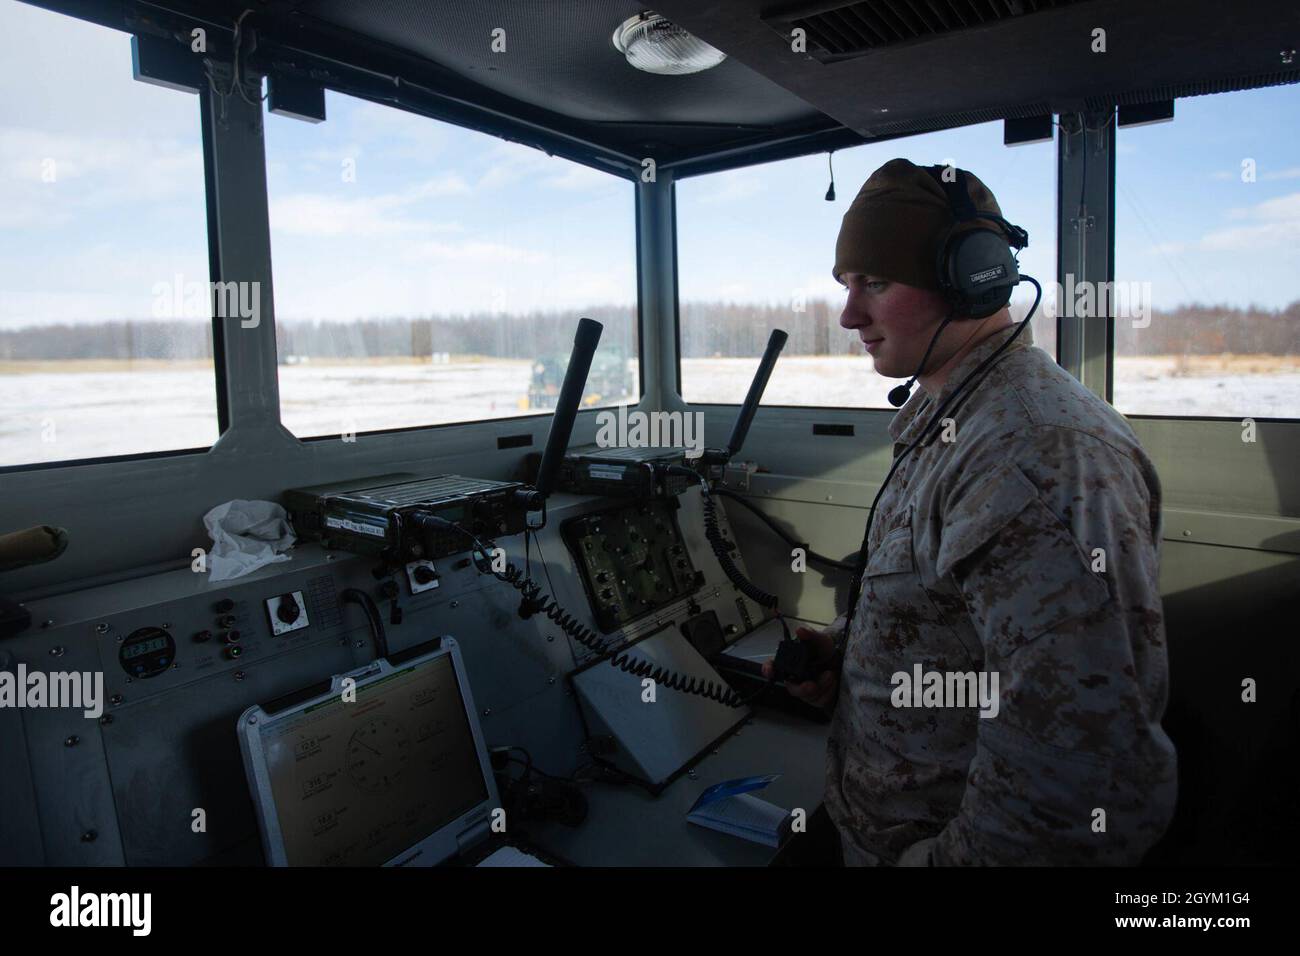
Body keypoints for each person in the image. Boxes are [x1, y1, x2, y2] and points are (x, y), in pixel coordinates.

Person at [766, 158, 1177, 865]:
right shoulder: (955, 417)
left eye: (876, 283)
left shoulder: (1035, 454)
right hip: (866, 818)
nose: (849, 316)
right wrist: (853, 647)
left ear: (971, 277)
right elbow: (956, 611)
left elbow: (1077, 777)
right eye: (846, 286)